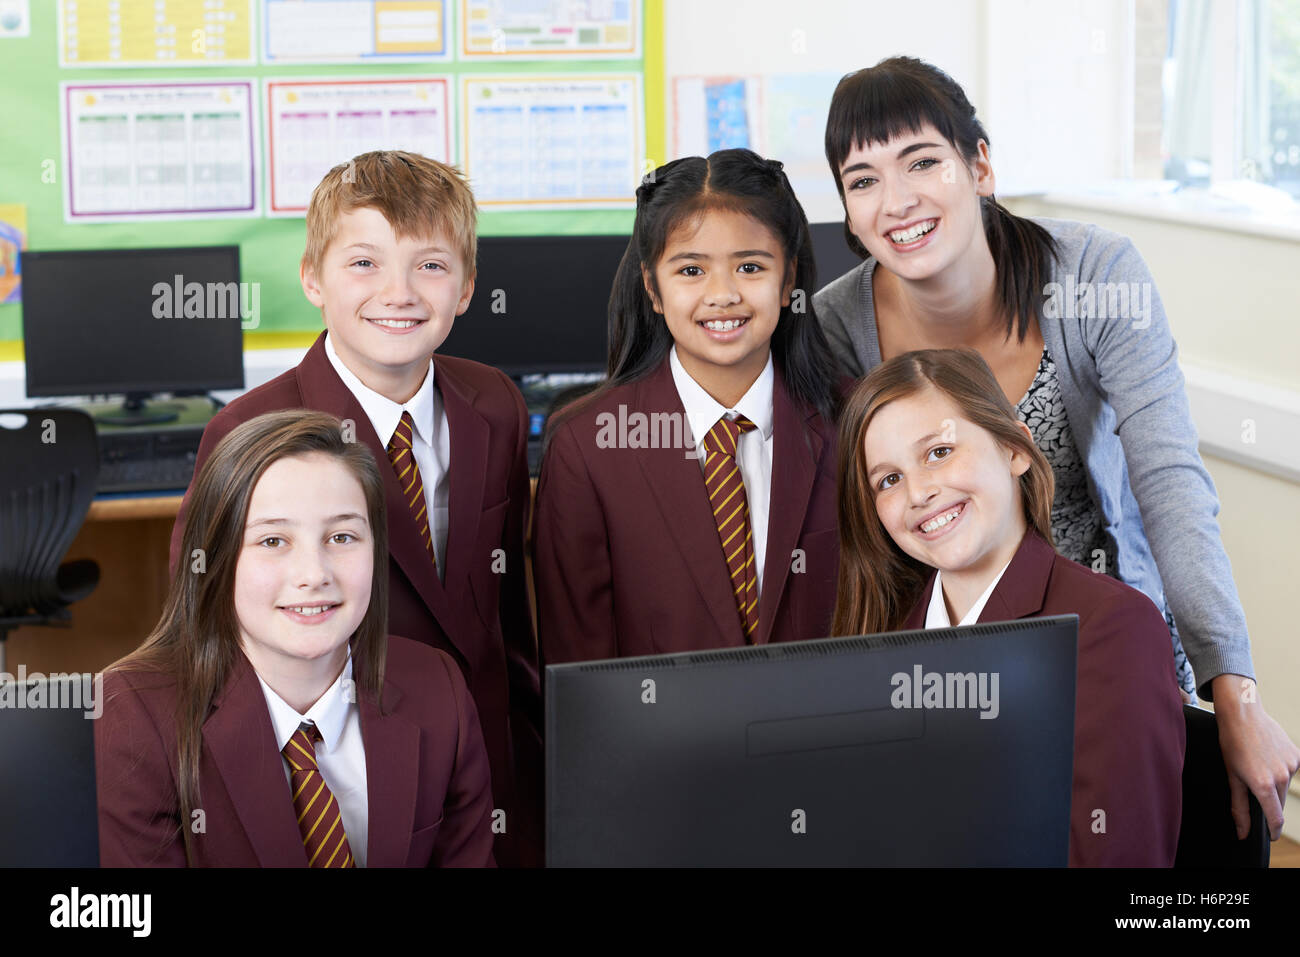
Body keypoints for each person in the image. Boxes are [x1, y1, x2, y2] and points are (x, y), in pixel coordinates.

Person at [814, 56, 1298, 840]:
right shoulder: (835, 325)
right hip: (952, 654)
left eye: (923, 162)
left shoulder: (1094, 274)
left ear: (980, 166)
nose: (896, 202)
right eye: (862, 179)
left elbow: (1169, 483)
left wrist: (1233, 690)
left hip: (1105, 636)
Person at [167, 150, 541, 866]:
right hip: (347, 766)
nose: (398, 292)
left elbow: (506, 611)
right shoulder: (248, 427)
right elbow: (202, 633)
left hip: (485, 759)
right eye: (364, 263)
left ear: (465, 288)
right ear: (313, 278)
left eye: (430, 266)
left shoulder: (494, 402)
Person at [97, 410, 495, 867]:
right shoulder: (134, 713)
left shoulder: (438, 688)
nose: (314, 575)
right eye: (273, 541)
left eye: (342, 537)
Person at [834, 348, 1184, 866]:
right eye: (888, 479)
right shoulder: (882, 630)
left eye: (938, 452)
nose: (919, 492)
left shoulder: (1112, 628)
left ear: (1014, 448)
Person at [533, 148, 844, 663]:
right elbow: (577, 664)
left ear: (789, 281)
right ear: (652, 287)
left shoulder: (855, 422)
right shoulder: (587, 448)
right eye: (691, 270)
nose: (722, 295)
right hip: (662, 740)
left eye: (749, 266)